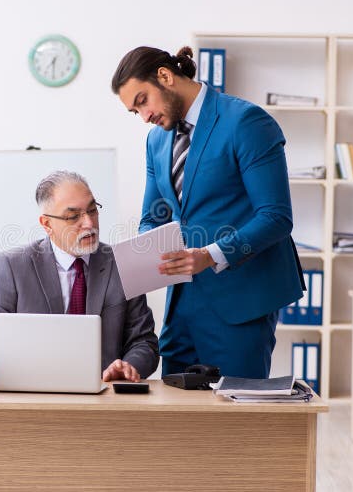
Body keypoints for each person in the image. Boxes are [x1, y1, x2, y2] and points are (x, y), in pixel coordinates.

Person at [111, 46, 305, 379]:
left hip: (241, 298)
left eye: (143, 101)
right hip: (182, 303)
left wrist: (211, 255)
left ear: (165, 76)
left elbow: (276, 216)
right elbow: (154, 216)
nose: (144, 117)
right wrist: (144, 253)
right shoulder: (156, 141)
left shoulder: (245, 121)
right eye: (134, 111)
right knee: (177, 417)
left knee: (234, 417)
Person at [0, 170, 159, 382]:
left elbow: (144, 343)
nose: (88, 223)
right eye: (73, 216)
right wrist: (24, 371)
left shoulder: (123, 263)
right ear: (47, 224)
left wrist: (128, 367)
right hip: (36, 397)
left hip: (105, 397)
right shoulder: (12, 267)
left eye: (92, 210)